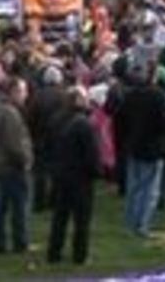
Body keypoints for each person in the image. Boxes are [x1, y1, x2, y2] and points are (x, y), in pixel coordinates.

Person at [116, 61, 165, 237]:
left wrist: (123, 141)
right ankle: (142, 224)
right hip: (153, 147)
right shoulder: (159, 97)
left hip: (133, 145)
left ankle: (130, 222)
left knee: (134, 186)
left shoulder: (131, 95)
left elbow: (120, 120)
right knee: (150, 189)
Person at [47, 86, 101, 265]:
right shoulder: (84, 124)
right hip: (80, 177)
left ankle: (54, 252)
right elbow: (91, 153)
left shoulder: (56, 120)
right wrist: (96, 171)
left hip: (60, 173)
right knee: (81, 219)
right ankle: (80, 254)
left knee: (60, 217)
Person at [0, 76, 33, 254]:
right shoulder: (10, 113)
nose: (26, 95)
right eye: (23, 91)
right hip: (12, 168)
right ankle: (21, 242)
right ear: (13, 92)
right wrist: (26, 160)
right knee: (19, 208)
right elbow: (14, 145)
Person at [27, 65, 68, 212]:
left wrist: (32, 135)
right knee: (57, 171)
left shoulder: (37, 96)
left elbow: (30, 118)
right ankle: (54, 200)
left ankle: (39, 202)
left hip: (40, 138)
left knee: (40, 172)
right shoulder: (64, 96)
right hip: (59, 138)